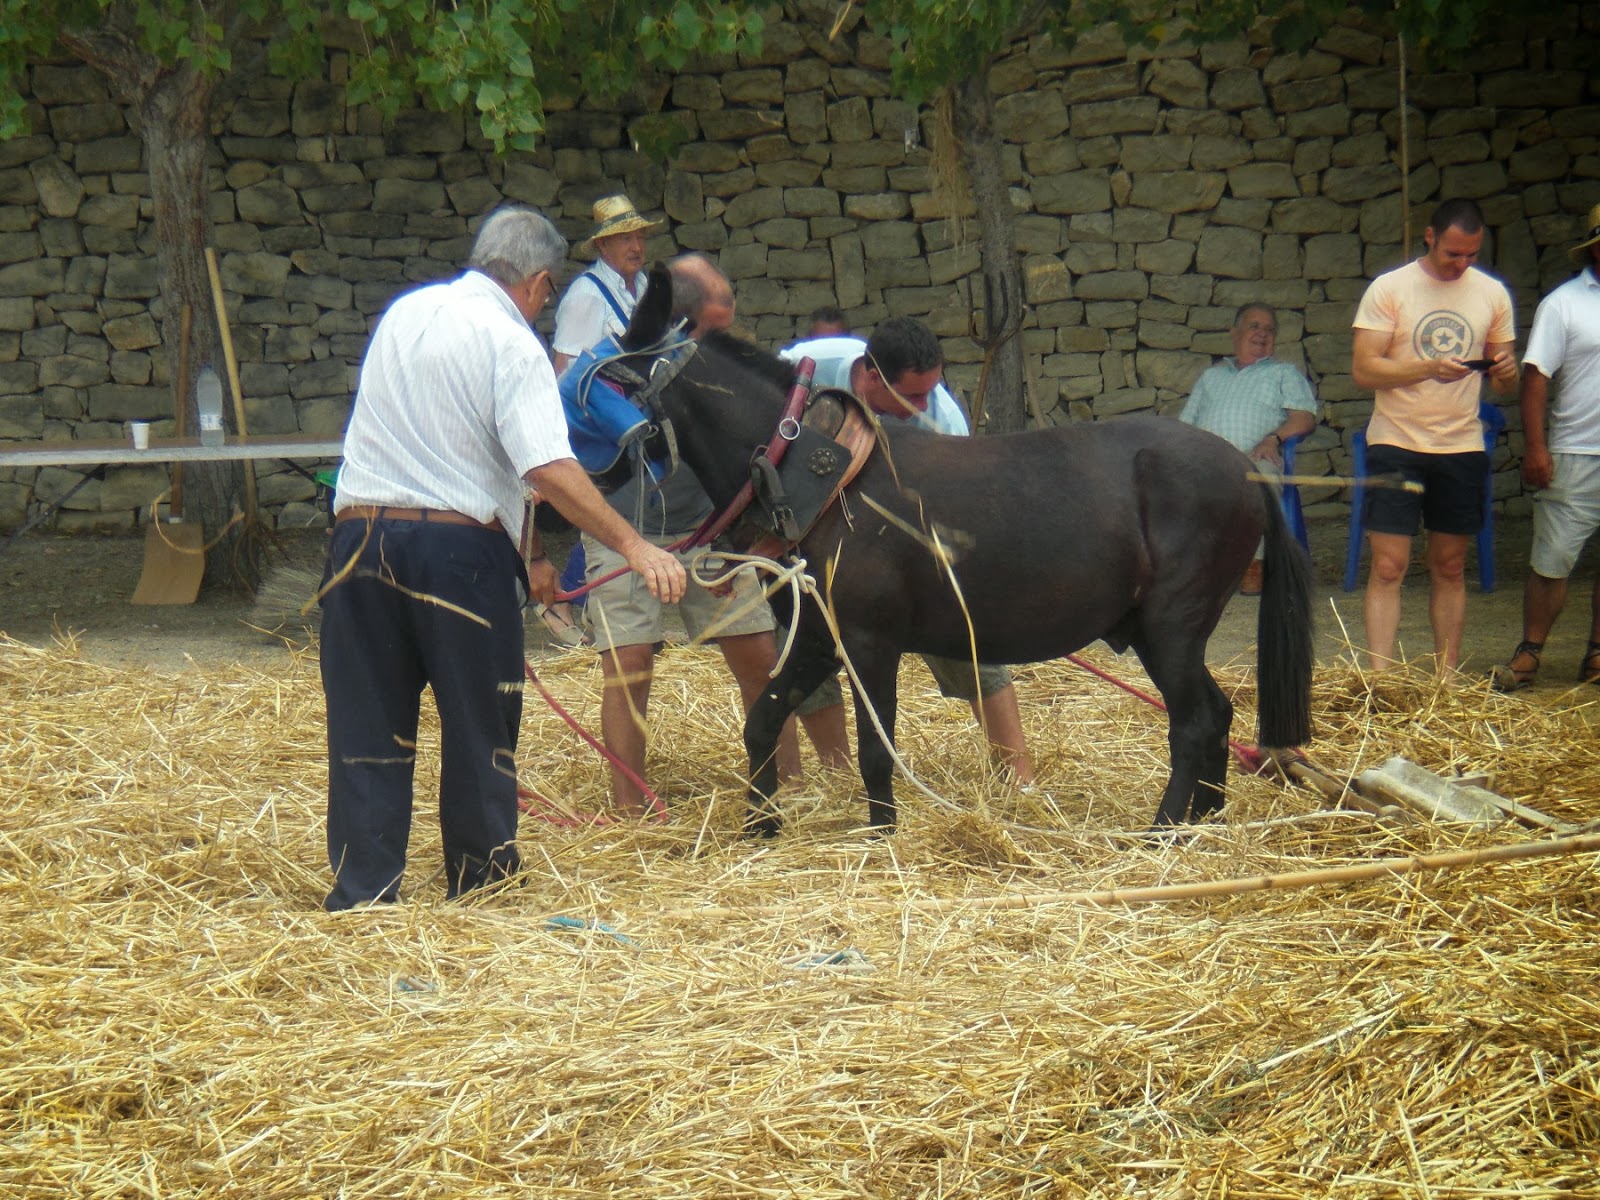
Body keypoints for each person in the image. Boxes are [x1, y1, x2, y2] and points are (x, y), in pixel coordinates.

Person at [320, 206, 687, 912]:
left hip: (357, 540)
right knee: (478, 722)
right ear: (539, 283)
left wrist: (534, 555)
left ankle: (363, 895)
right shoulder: (512, 341)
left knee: (366, 724)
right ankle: (481, 884)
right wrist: (635, 545)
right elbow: (546, 467)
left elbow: (465, 450)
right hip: (456, 553)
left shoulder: (405, 313)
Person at [578, 253, 822, 814]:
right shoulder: (606, 370)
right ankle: (631, 813)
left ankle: (789, 792)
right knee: (627, 665)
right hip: (621, 530)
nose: (724, 340)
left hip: (707, 529)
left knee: (759, 656)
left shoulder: (723, 371)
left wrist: (736, 543)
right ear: (680, 319)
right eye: (714, 327)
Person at [779, 316, 1036, 785]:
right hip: (814, 535)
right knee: (801, 646)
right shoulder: (804, 368)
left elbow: (960, 505)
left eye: (928, 393)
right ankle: (840, 779)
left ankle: (1019, 778)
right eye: (911, 396)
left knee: (967, 639)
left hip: (905, 545)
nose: (922, 406)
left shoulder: (942, 421)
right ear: (872, 376)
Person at [1351, 197, 1518, 673]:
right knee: (1388, 565)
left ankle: (1446, 680)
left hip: (1460, 444)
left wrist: (1506, 371)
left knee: (1449, 565)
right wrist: (1426, 368)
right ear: (1430, 237)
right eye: (1452, 253)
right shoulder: (1391, 288)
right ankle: (1380, 680)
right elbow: (1364, 369)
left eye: (1471, 254)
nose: (1461, 264)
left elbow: (1504, 383)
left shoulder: (1492, 294)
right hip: (1396, 440)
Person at [542, 195, 663, 645]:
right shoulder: (586, 296)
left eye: (639, 236)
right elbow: (564, 370)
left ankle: (595, 606)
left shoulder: (644, 287)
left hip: (632, 418)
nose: (636, 246)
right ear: (602, 246)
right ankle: (568, 601)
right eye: (624, 238)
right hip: (596, 423)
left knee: (629, 506)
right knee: (605, 509)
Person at [1491, 204, 1600, 690]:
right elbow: (1536, 379)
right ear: (1595, 248)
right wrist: (1536, 447)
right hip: (1576, 450)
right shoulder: (1564, 303)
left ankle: (1597, 654)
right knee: (1552, 561)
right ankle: (1530, 652)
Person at [1178, 302, 1319, 594]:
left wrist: (1274, 438)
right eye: (1254, 326)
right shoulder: (1212, 377)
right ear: (1235, 333)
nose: (1262, 333)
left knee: (1262, 476)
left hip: (1254, 456)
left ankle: (1253, 566)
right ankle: (1181, 569)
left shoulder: (1283, 373)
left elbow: (1304, 418)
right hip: (1206, 460)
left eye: (1269, 329)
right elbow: (1184, 427)